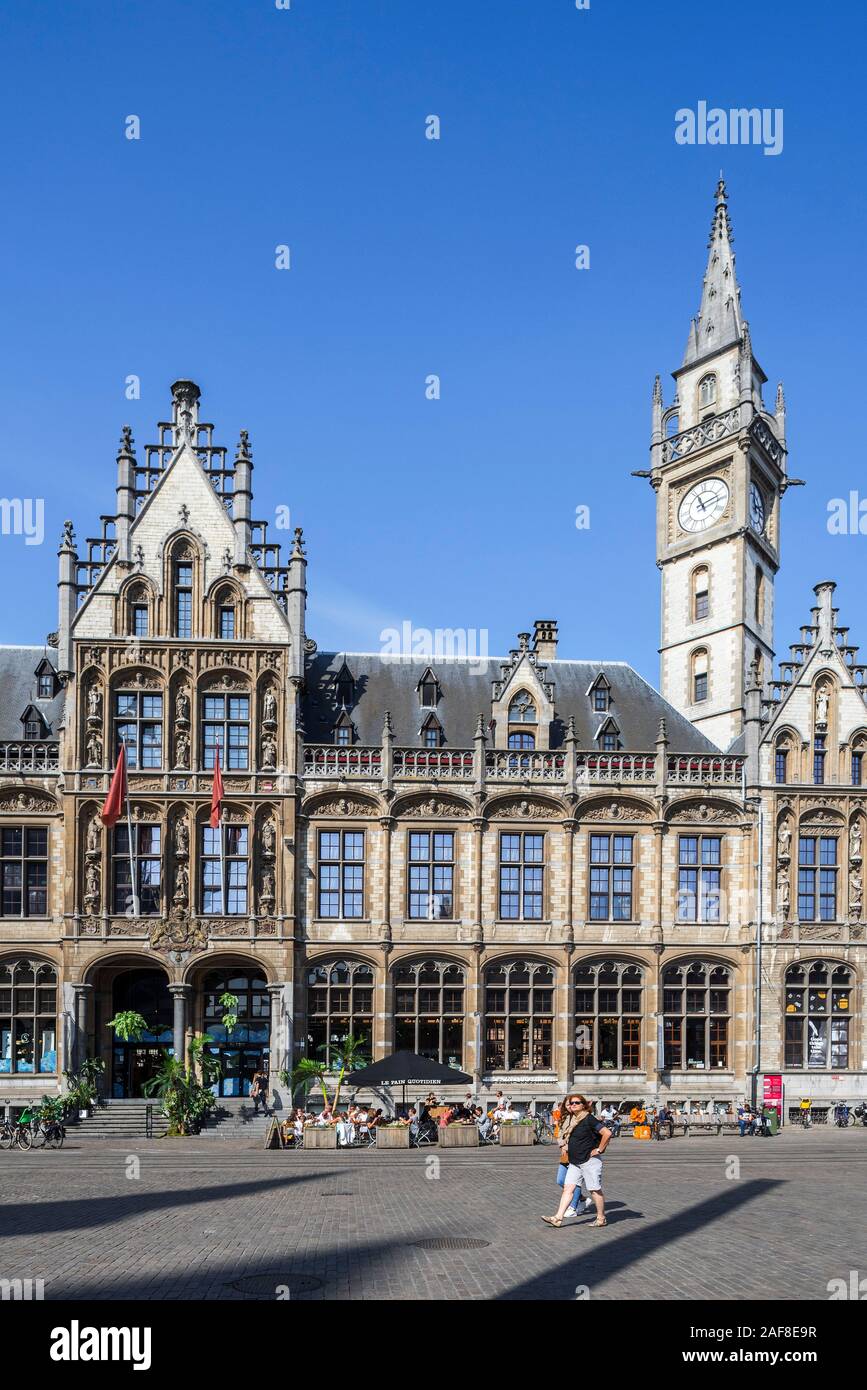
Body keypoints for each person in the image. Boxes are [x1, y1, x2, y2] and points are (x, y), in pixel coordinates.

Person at [543, 1095, 611, 1229]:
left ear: (584, 1105)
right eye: (572, 1103)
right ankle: (558, 1218)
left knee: (594, 1190)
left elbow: (607, 1133)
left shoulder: (588, 1118)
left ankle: (601, 1218)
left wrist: (599, 1149)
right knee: (568, 1189)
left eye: (577, 1103)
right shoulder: (572, 1119)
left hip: (589, 1160)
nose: (573, 1105)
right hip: (575, 1162)